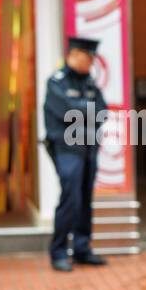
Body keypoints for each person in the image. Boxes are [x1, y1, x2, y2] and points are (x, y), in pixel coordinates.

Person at [43, 36, 108, 272]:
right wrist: (85, 111)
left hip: (89, 149)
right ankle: (59, 252)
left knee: (85, 199)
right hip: (66, 150)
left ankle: (82, 249)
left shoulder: (90, 84)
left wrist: (83, 111)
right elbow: (68, 112)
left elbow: (103, 111)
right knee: (71, 198)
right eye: (87, 57)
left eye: (92, 58)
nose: (90, 62)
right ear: (73, 55)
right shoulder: (56, 82)